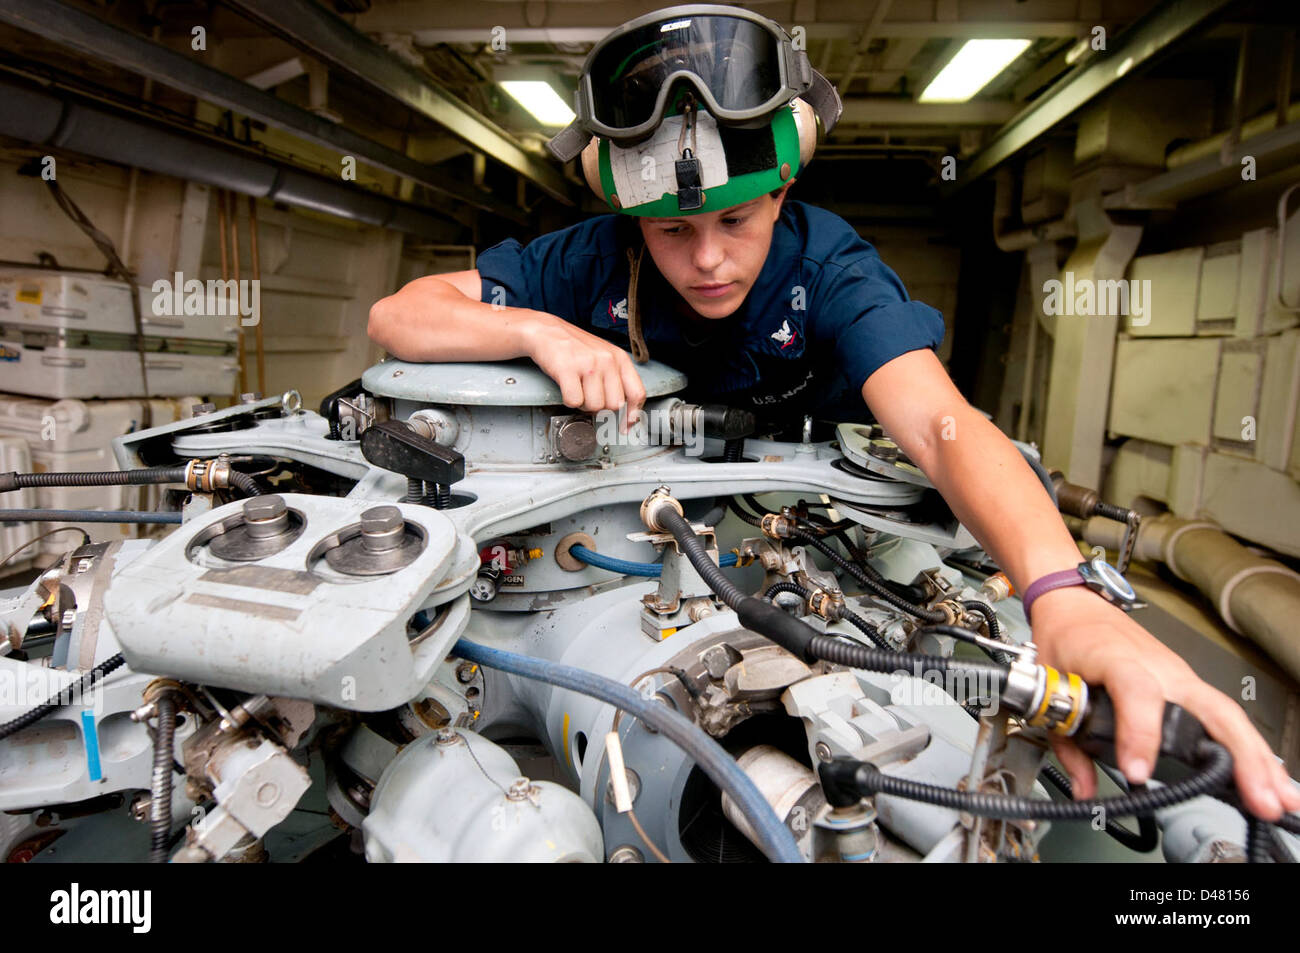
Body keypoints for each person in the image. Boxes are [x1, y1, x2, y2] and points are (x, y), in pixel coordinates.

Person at [369, 4, 1299, 822]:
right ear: (636, 222)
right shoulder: (586, 259)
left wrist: (1062, 597)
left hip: (819, 517)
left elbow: (939, 424)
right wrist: (538, 329)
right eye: (673, 231)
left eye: (736, 220)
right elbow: (395, 315)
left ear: (780, 191)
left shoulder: (833, 269)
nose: (705, 260)